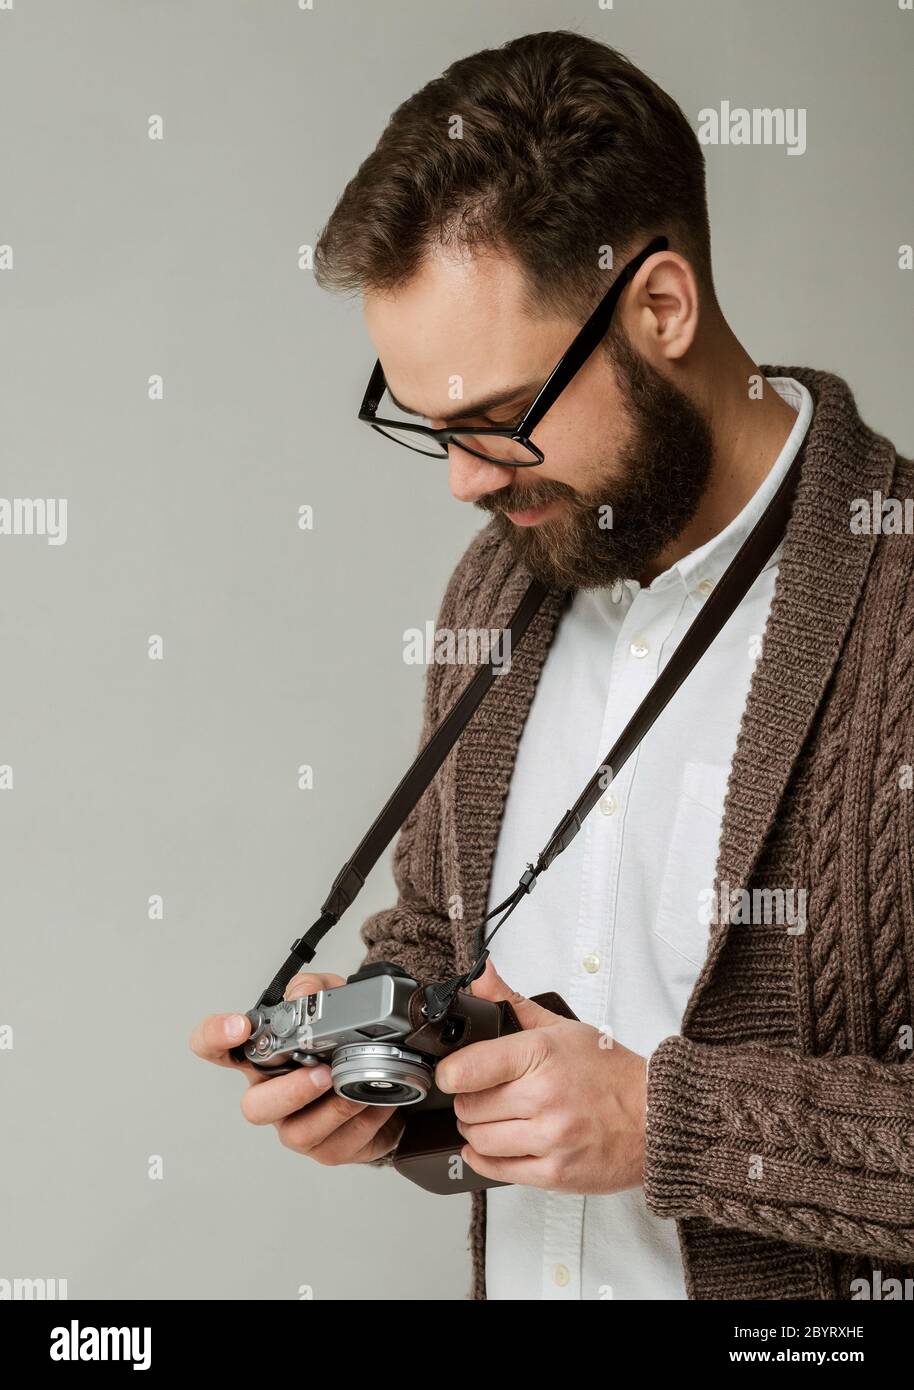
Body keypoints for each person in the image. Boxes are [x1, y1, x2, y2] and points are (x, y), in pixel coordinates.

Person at [191, 30, 914, 1301]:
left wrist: (675, 1125)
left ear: (660, 308)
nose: (466, 481)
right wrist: (388, 1073)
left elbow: (645, 1113)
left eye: (499, 419)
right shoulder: (503, 579)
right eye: (430, 428)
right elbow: (443, 940)